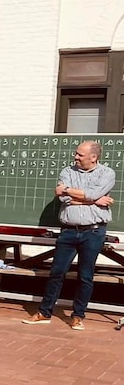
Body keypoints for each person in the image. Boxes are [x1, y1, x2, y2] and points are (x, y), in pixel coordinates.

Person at [23, 140, 116, 331]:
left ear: (93, 157)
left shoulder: (107, 173)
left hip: (93, 231)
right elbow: (64, 197)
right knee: (56, 272)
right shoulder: (67, 171)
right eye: (76, 153)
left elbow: (92, 193)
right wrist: (93, 200)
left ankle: (78, 316)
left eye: (80, 155)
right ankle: (44, 312)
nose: (75, 157)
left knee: (85, 275)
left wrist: (75, 194)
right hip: (68, 231)